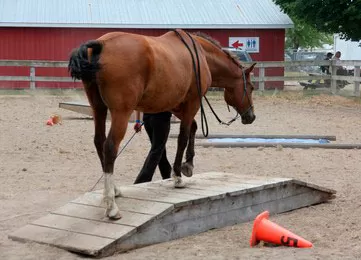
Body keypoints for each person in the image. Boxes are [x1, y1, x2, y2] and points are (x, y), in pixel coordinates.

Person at [133, 111, 172, 184]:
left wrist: (138, 121)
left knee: (159, 149)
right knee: (157, 150)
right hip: (161, 117)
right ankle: (141, 181)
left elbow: (138, 103)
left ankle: (167, 176)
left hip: (147, 119)